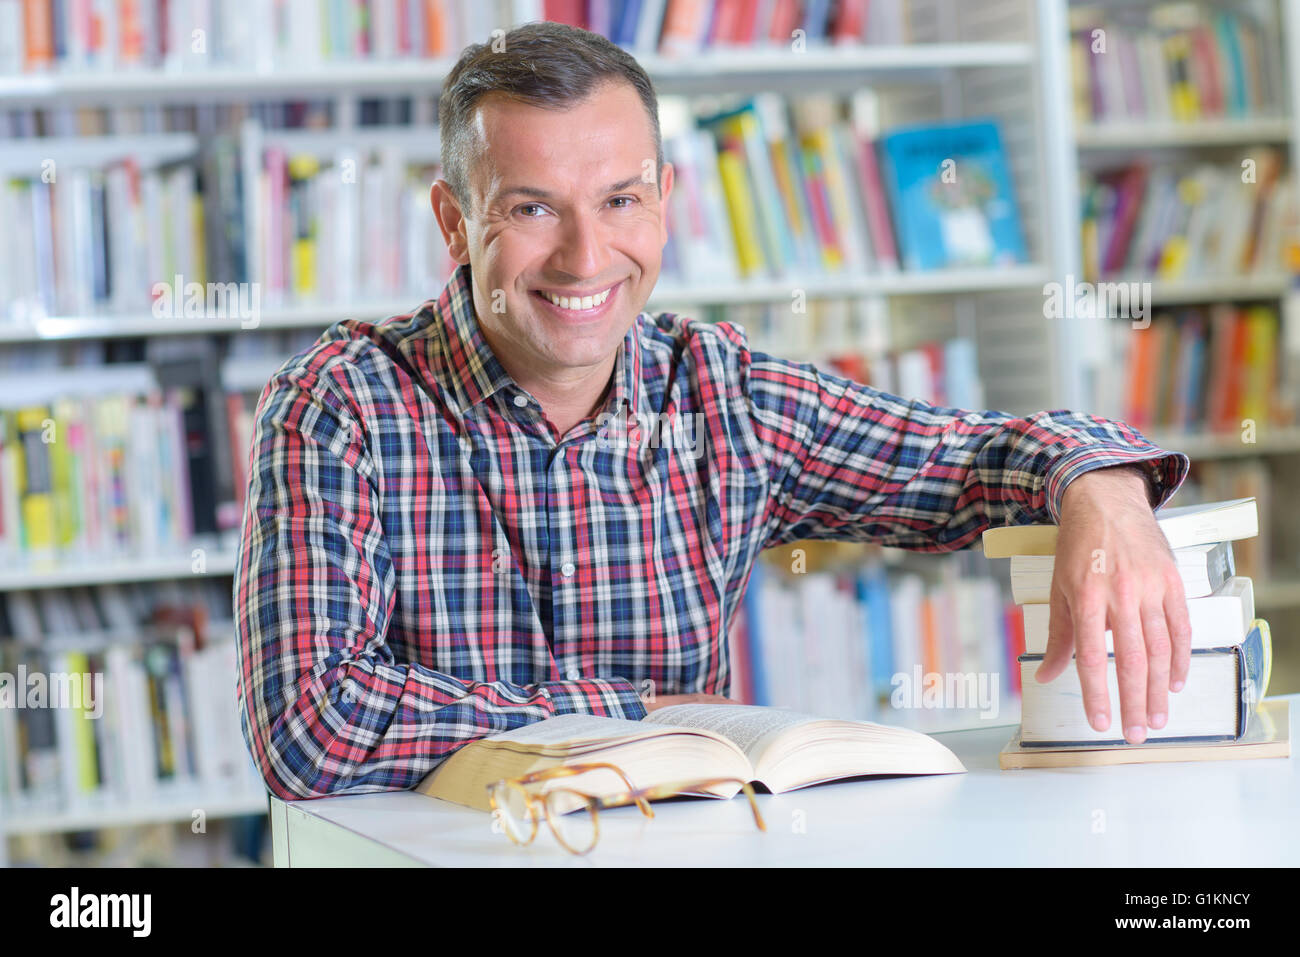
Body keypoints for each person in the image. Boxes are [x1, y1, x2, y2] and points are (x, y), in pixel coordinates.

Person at [234, 21, 1190, 800]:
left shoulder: (724, 395)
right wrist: (635, 713)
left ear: (667, 198)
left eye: (620, 200)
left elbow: (970, 459)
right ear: (453, 221)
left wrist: (1099, 489)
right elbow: (312, 726)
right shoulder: (339, 405)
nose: (585, 256)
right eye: (532, 209)